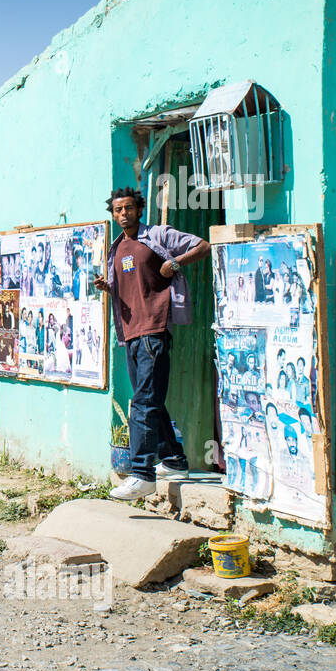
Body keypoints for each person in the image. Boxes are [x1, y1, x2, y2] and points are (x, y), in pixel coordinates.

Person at [96, 186, 210, 499]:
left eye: (129, 208)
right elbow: (133, 288)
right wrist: (109, 287)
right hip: (130, 333)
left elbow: (203, 246)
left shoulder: (157, 235)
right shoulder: (117, 248)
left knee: (143, 404)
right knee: (151, 401)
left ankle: (143, 474)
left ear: (139, 209)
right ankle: (174, 461)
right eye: (118, 210)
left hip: (153, 331)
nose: (123, 214)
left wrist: (174, 264)